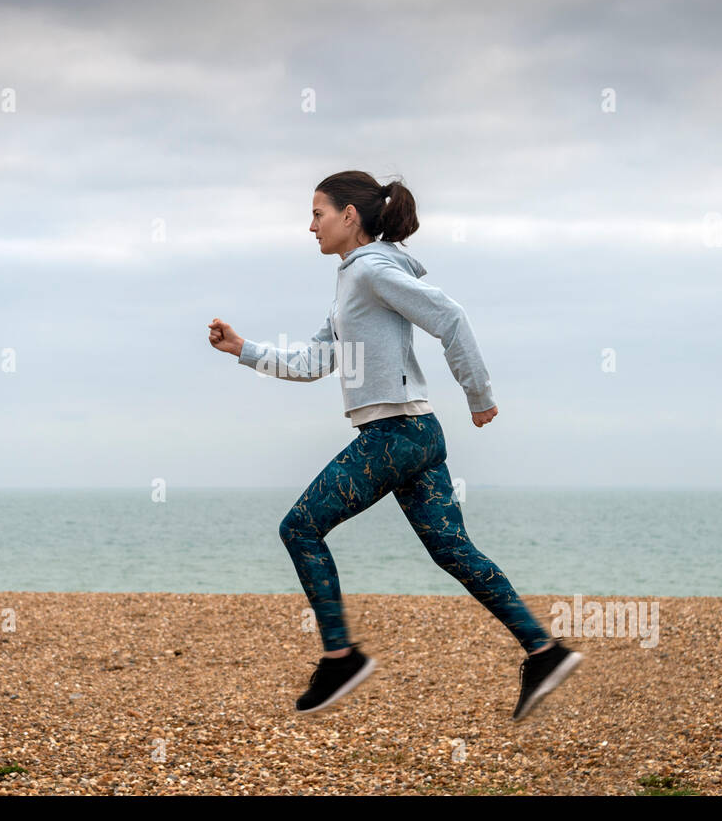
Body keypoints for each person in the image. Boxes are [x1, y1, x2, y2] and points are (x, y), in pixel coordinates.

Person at [208, 170, 582, 720]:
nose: (310, 226)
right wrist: (243, 348)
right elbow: (311, 362)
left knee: (299, 528)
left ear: (349, 216)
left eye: (318, 213)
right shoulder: (350, 282)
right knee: (453, 550)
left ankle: (339, 655)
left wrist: (479, 394)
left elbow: (449, 316)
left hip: (393, 437)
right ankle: (544, 651)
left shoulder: (372, 270)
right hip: (417, 435)